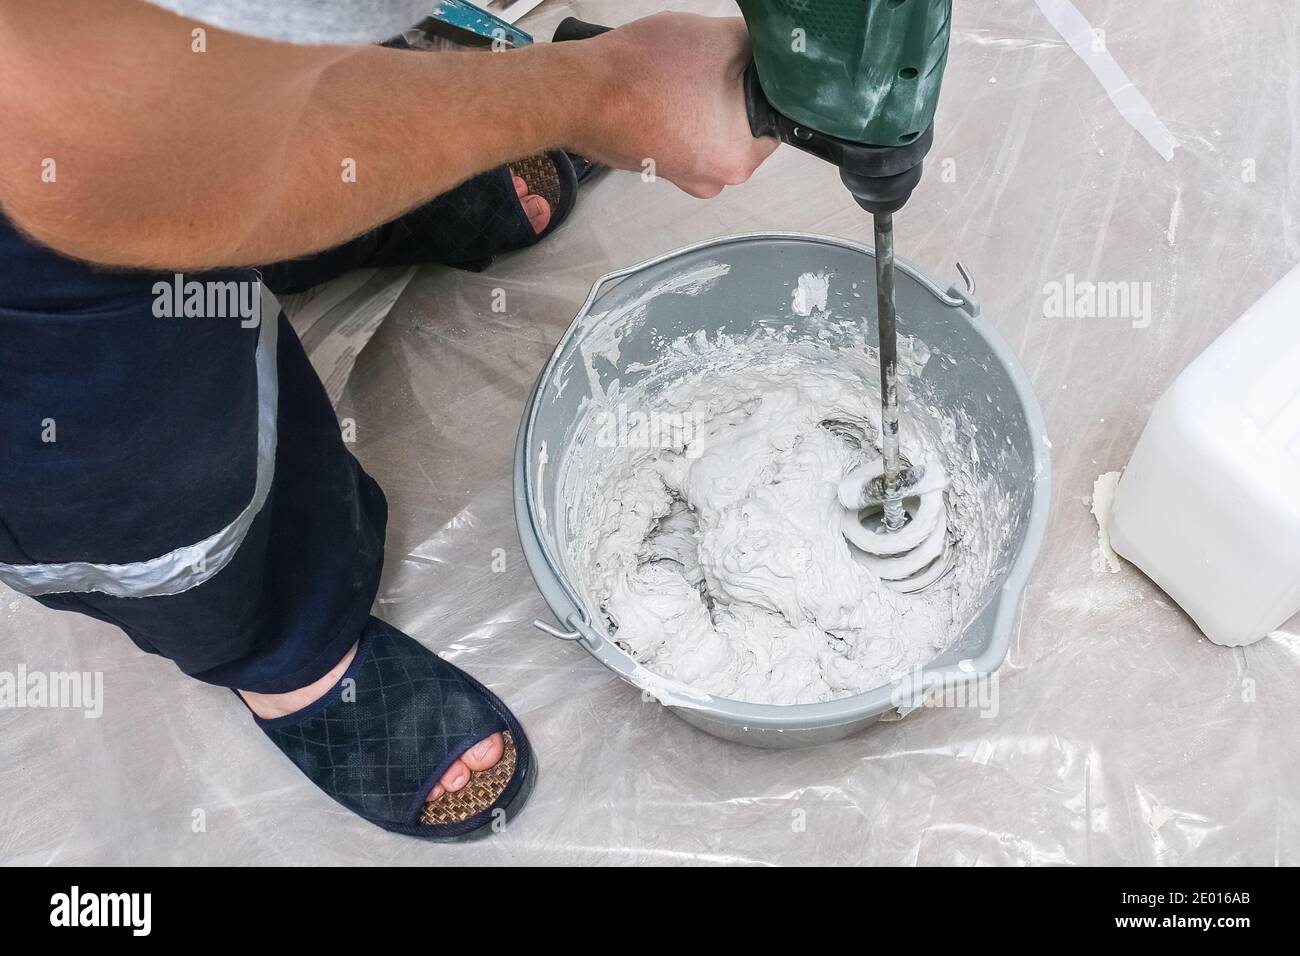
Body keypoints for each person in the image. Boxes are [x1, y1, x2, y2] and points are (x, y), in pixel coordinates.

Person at [0, 0, 777, 840]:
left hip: (146, 89)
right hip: (52, 165)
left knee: (249, 85)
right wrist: (598, 94)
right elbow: (101, 172)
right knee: (112, 433)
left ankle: (330, 190)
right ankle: (278, 642)